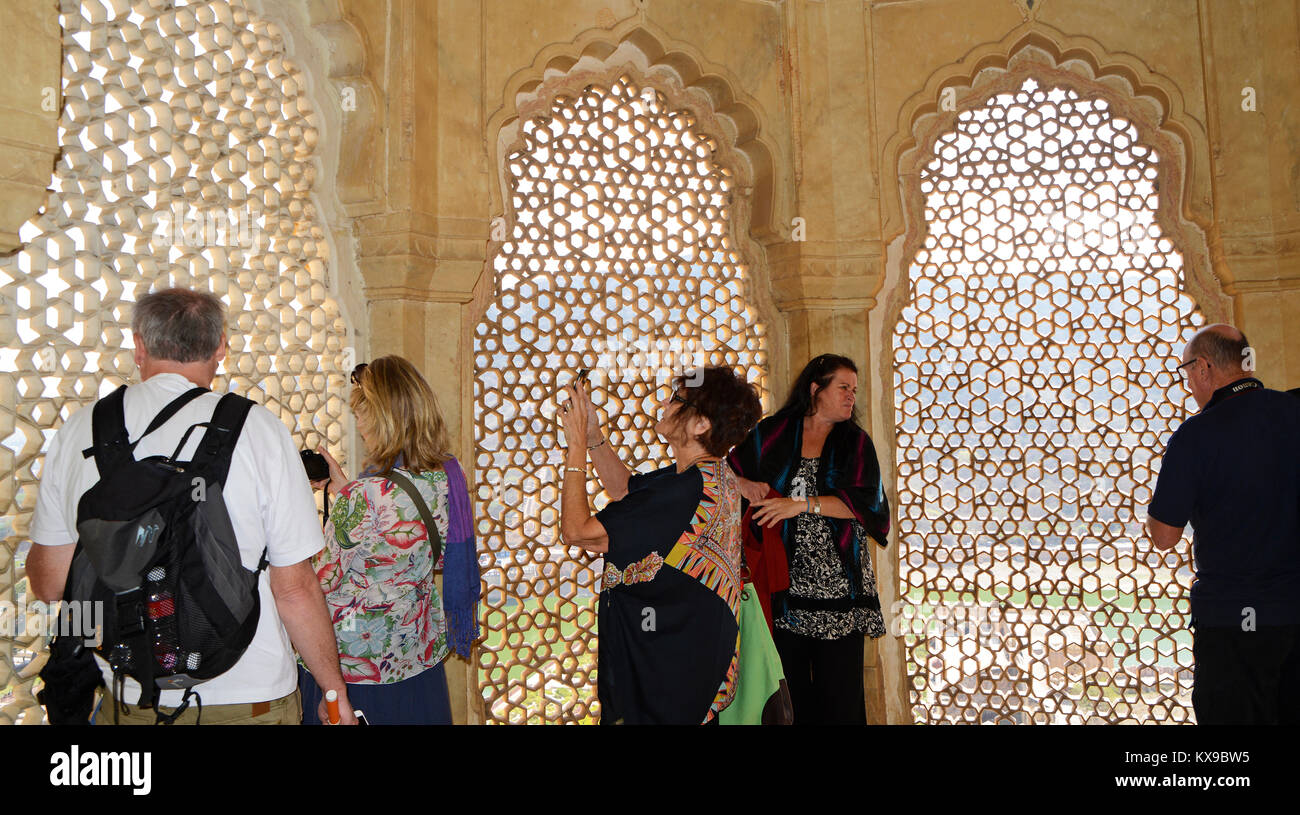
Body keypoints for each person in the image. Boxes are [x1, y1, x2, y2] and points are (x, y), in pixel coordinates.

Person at [25, 287, 357, 724]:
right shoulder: (259, 430)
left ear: (139, 345)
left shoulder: (80, 430)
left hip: (130, 698)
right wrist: (334, 693)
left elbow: (50, 585)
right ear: (221, 347)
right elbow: (294, 588)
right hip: (249, 698)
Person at [559, 366, 762, 724]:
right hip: (691, 668)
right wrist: (593, 436)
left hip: (667, 682)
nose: (665, 405)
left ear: (700, 424)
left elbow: (578, 532)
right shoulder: (711, 474)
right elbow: (628, 492)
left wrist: (574, 445)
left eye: (676, 399)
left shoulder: (684, 492)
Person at [299, 355, 479, 724]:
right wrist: (345, 492)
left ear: (382, 419)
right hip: (418, 656)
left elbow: (321, 583)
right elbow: (434, 554)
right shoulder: (447, 475)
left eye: (363, 416)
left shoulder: (366, 495)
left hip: (358, 667)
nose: (361, 426)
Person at [1146, 324, 1300, 725]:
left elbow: (1164, 536)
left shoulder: (1196, 436)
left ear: (1202, 368)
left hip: (1238, 620)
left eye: (1186, 372)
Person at [726, 354, 890, 725]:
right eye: (843, 387)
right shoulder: (772, 433)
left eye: (854, 390)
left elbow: (868, 507)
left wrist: (799, 506)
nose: (851, 397)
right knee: (791, 701)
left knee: (842, 701)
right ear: (816, 389)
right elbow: (724, 473)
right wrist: (745, 484)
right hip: (784, 592)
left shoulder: (856, 443)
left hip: (840, 592)